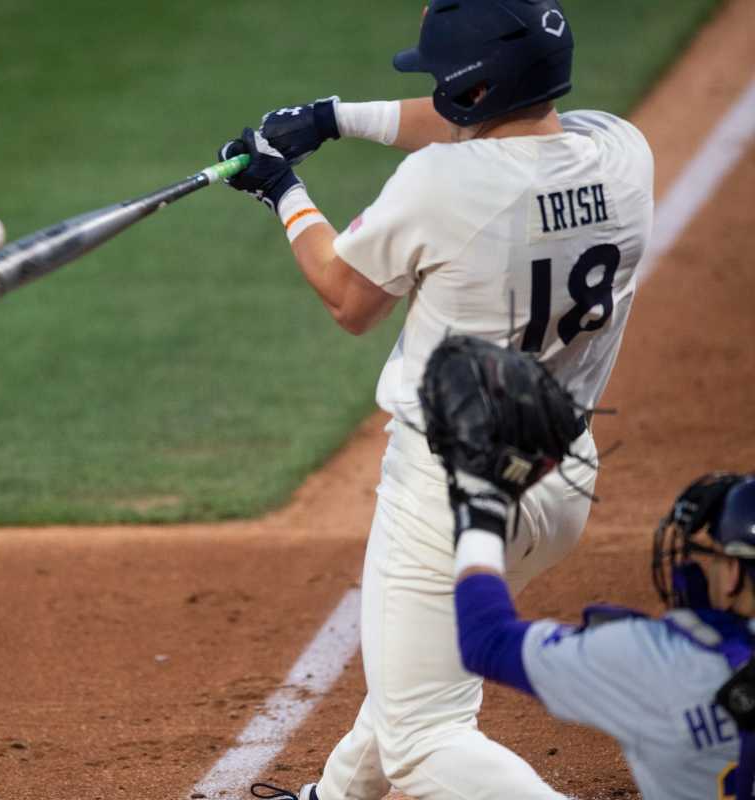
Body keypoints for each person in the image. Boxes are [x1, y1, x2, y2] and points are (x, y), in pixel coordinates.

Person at [218, 1, 654, 798]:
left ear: (473, 91)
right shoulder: (624, 154)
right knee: (414, 669)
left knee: (426, 738)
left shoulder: (439, 184)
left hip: (446, 490)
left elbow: (348, 299)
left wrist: (280, 186)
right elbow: (500, 129)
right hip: (564, 475)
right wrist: (334, 118)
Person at [450, 466, 755, 800]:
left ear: (733, 575)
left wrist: (483, 506)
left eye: (714, 558)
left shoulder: (653, 660)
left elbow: (486, 639)